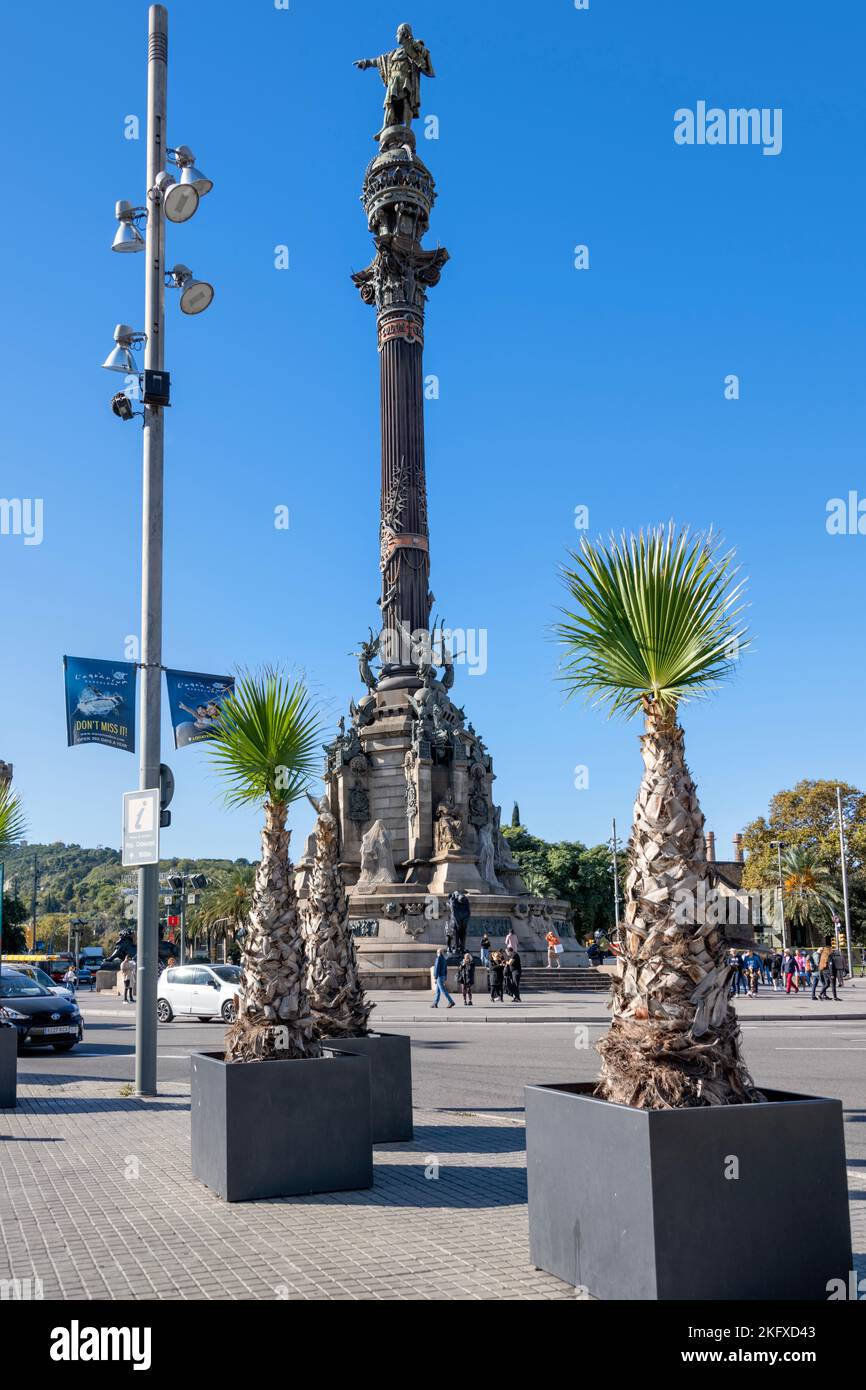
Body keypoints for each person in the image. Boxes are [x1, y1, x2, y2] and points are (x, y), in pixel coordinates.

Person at [814, 936, 838, 1001]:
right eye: (831, 949)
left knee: (827, 984)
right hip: (829, 972)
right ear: (829, 950)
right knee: (833, 985)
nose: (832, 950)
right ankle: (835, 997)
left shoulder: (822, 956)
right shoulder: (829, 956)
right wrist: (832, 974)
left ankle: (819, 994)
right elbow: (830, 965)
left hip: (824, 971)